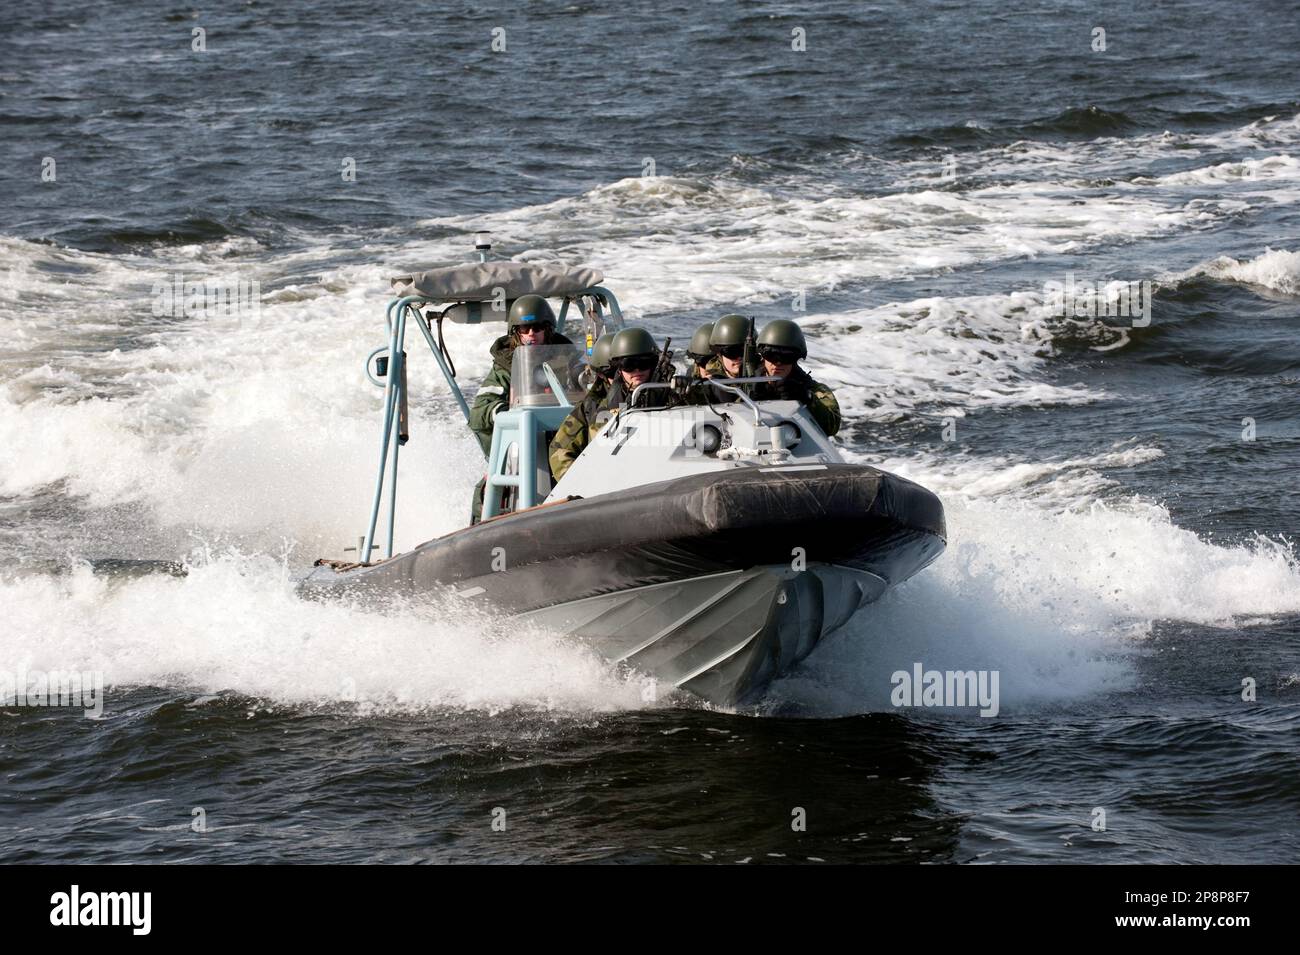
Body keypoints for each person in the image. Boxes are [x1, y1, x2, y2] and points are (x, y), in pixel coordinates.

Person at [468, 294, 572, 523]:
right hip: (519, 450)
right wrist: (505, 412)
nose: (530, 335)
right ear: (516, 332)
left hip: (564, 444)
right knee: (486, 494)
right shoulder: (505, 367)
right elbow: (479, 413)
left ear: (547, 329)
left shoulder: (568, 359)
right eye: (524, 329)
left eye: (536, 328)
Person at [548, 327, 669, 483]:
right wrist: (579, 484)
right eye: (628, 365)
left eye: (644, 363)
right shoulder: (592, 408)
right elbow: (560, 449)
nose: (637, 371)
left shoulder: (667, 393)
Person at [749, 319, 841, 437]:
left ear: (796, 359)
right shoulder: (747, 383)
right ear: (762, 356)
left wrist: (806, 398)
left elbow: (832, 427)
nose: (777, 363)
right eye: (771, 355)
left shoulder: (814, 390)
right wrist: (746, 400)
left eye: (786, 357)